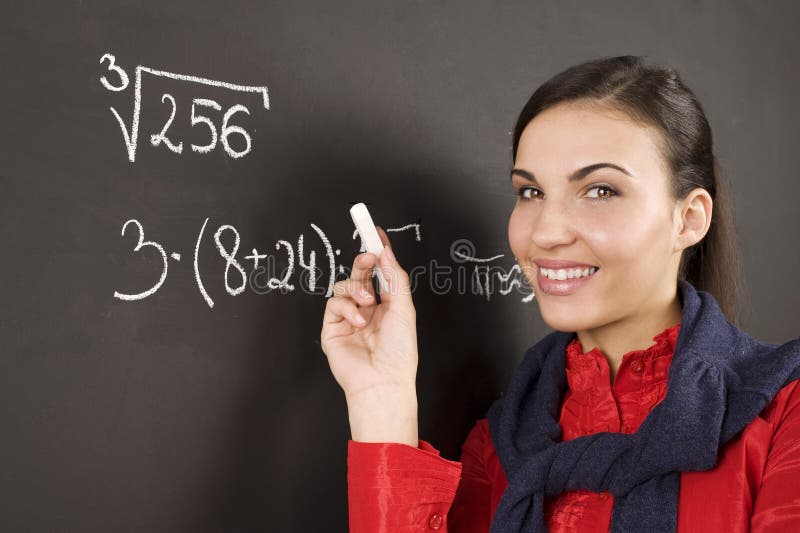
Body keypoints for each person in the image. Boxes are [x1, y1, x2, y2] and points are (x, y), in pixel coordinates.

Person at [319, 56, 800, 532]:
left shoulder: (781, 415)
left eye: (601, 190)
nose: (546, 233)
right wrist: (382, 399)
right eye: (531, 192)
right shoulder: (498, 444)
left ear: (688, 219)